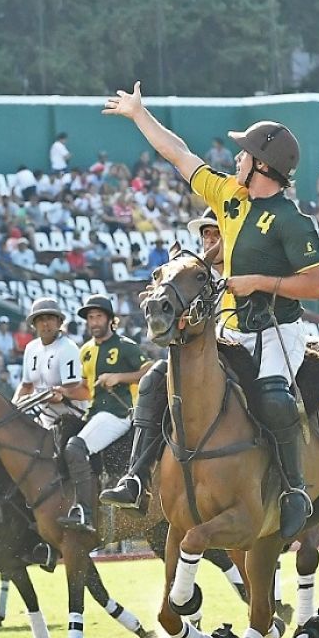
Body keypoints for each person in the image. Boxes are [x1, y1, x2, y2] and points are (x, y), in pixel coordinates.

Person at [104, 82, 319, 540]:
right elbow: (179, 154)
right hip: (231, 328)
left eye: (244, 154)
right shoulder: (228, 195)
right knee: (154, 381)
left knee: (274, 399)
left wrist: (258, 282)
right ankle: (136, 479)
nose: (237, 158)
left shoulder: (292, 221)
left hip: (277, 331)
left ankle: (295, 490)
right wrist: (139, 115)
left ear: (262, 165)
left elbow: (316, 286)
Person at [102, 210, 222, 510]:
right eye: (206, 234)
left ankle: (289, 483)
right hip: (197, 357)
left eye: (216, 234)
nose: (210, 240)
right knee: (153, 378)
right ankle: (136, 479)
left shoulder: (242, 269)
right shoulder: (186, 277)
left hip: (237, 350)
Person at [52, 294, 150, 532]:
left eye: (98, 316)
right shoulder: (85, 350)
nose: (94, 322)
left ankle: (84, 513)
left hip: (118, 414)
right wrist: (64, 393)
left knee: (75, 448)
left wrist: (119, 377)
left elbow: (150, 371)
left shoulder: (125, 346)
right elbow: (86, 390)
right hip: (94, 414)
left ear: (109, 320)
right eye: (90, 318)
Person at [11, 297, 85, 429]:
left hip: (71, 418)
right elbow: (26, 386)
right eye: (40, 319)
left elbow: (73, 390)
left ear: (59, 322)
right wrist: (12, 408)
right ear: (33, 325)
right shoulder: (31, 348)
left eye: (50, 318)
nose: (45, 324)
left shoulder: (68, 348)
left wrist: (44, 397)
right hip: (42, 417)